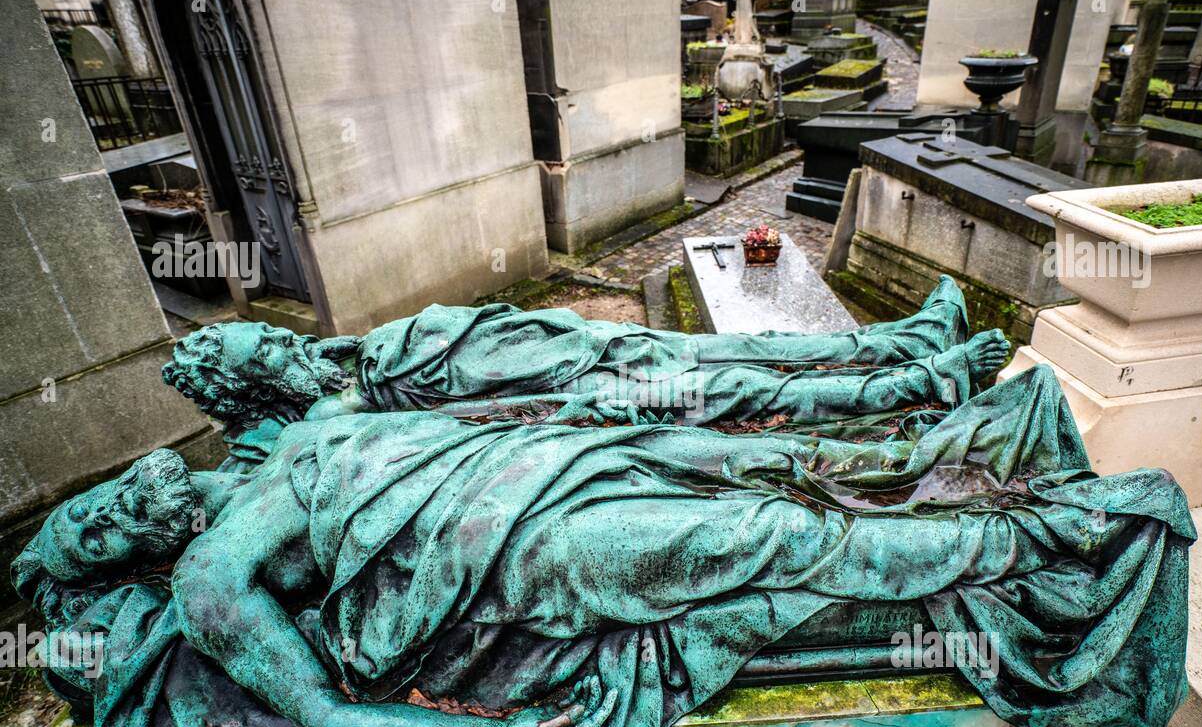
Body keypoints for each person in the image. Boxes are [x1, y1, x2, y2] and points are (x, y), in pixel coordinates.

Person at [13, 366, 1195, 727]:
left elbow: (406, 409)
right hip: (528, 564)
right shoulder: (214, 583)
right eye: (100, 528)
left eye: (105, 497)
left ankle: (979, 454)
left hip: (534, 471)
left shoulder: (270, 450)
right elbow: (334, 723)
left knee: (762, 459)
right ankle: (1056, 537)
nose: (124, 499)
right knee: (769, 539)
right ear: (119, 570)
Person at [162, 277, 1007, 469]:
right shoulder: (304, 438)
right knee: (740, 389)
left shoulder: (341, 360)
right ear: (253, 393)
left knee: (725, 351)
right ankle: (916, 385)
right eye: (269, 357)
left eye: (271, 338)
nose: (289, 347)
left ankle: (902, 340)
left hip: (573, 351)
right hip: (565, 411)